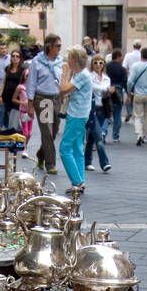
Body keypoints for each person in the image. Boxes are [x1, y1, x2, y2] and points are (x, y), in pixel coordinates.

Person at [26, 33, 63, 175]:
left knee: (53, 132)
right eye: (57, 46)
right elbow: (31, 83)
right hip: (43, 99)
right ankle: (50, 163)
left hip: (56, 98)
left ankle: (41, 154)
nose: (59, 48)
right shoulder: (37, 62)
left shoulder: (60, 62)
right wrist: (30, 104)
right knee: (46, 132)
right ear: (49, 47)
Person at [57, 46, 92, 189]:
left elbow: (63, 89)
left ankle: (76, 180)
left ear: (75, 60)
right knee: (77, 147)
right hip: (79, 113)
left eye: (69, 58)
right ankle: (80, 180)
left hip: (77, 115)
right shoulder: (80, 74)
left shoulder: (82, 75)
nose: (67, 61)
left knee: (64, 148)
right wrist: (70, 72)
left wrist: (65, 72)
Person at [84, 54, 112, 173]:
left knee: (91, 137)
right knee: (99, 136)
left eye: (101, 62)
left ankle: (87, 161)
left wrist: (107, 90)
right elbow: (94, 88)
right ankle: (104, 163)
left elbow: (107, 90)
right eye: (96, 62)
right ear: (92, 64)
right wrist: (106, 90)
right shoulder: (89, 76)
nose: (98, 65)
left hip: (102, 108)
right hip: (92, 108)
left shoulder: (106, 78)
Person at [0, 46, 25, 132]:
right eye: (13, 56)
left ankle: (15, 134)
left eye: (17, 56)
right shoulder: (8, 68)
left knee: (14, 117)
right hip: (7, 97)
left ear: (20, 58)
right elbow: (3, 82)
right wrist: (0, 95)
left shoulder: (23, 70)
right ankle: (15, 134)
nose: (15, 58)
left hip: (17, 98)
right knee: (10, 116)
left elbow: (26, 84)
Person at [105, 49, 128, 141]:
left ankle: (103, 133)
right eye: (121, 56)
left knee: (106, 113)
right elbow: (125, 82)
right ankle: (115, 136)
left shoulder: (107, 66)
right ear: (118, 56)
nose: (122, 58)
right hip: (118, 90)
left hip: (107, 89)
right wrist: (128, 92)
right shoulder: (122, 69)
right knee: (117, 114)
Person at [122, 41, 142, 121]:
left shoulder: (128, 55)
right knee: (138, 96)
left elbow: (124, 66)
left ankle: (129, 111)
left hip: (130, 77)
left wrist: (128, 73)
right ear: (140, 47)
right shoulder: (141, 55)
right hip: (140, 79)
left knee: (129, 94)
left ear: (133, 46)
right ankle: (138, 114)